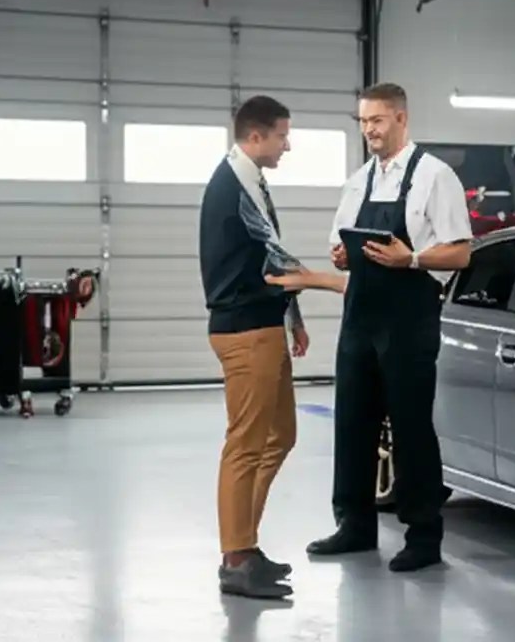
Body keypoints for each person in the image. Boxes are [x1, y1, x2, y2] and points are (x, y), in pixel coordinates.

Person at [268, 82, 472, 573]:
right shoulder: (359, 180)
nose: (369, 131)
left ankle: (423, 536)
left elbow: (462, 251)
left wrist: (413, 257)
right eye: (362, 122)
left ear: (401, 118)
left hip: (409, 315)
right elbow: (342, 247)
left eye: (376, 121)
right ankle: (354, 525)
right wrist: (341, 254)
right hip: (361, 314)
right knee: (353, 421)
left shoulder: (434, 176)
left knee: (411, 427)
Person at [199, 95, 310, 599]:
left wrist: (295, 316)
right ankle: (236, 556)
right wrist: (340, 283)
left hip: (265, 323)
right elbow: (278, 257)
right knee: (245, 445)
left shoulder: (250, 178)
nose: (288, 145)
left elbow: (266, 256)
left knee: (279, 436)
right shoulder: (233, 184)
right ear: (256, 136)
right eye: (283, 135)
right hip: (244, 329)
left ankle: (244, 543)